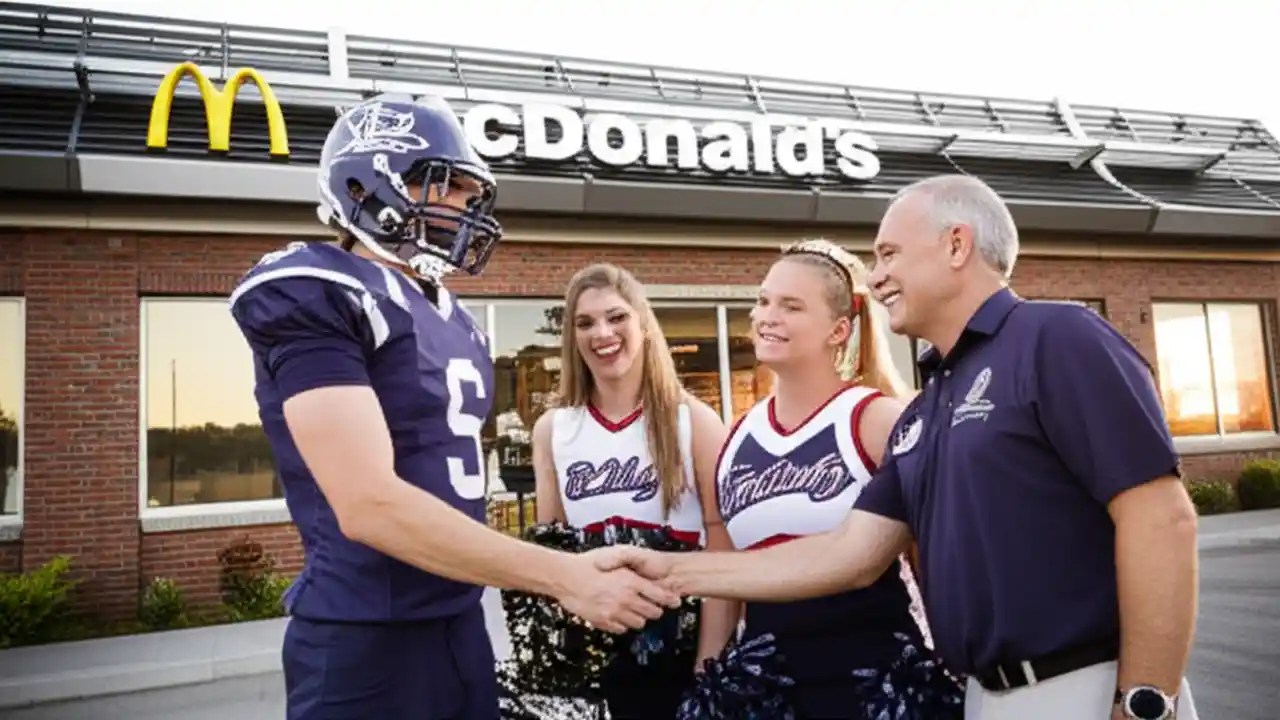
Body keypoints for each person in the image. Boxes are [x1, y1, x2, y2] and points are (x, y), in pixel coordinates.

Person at [594, 174, 1200, 720]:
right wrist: (671, 570)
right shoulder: (928, 406)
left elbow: (1161, 519)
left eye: (888, 254)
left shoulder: (1055, 337)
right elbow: (846, 555)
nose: (876, 275)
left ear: (956, 245)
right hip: (984, 698)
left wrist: (1146, 699)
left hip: (1087, 688)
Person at [227, 94, 677, 720]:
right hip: (367, 631)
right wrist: (562, 577)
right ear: (373, 181)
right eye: (451, 188)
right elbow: (368, 504)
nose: (467, 208)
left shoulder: (453, 317)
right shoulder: (316, 288)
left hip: (458, 621)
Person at [677, 238, 962, 719]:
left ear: (838, 330)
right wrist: (706, 680)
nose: (768, 316)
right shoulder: (735, 437)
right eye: (763, 300)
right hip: (766, 687)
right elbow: (723, 576)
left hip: (872, 683)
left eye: (791, 306)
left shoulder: (877, 420)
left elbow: (930, 560)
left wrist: (957, 666)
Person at [506, 262, 731, 719]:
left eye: (616, 317)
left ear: (644, 324)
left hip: (678, 653)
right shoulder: (554, 430)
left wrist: (708, 670)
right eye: (584, 323)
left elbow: (724, 555)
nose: (601, 333)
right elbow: (557, 556)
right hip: (592, 659)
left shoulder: (692, 420)